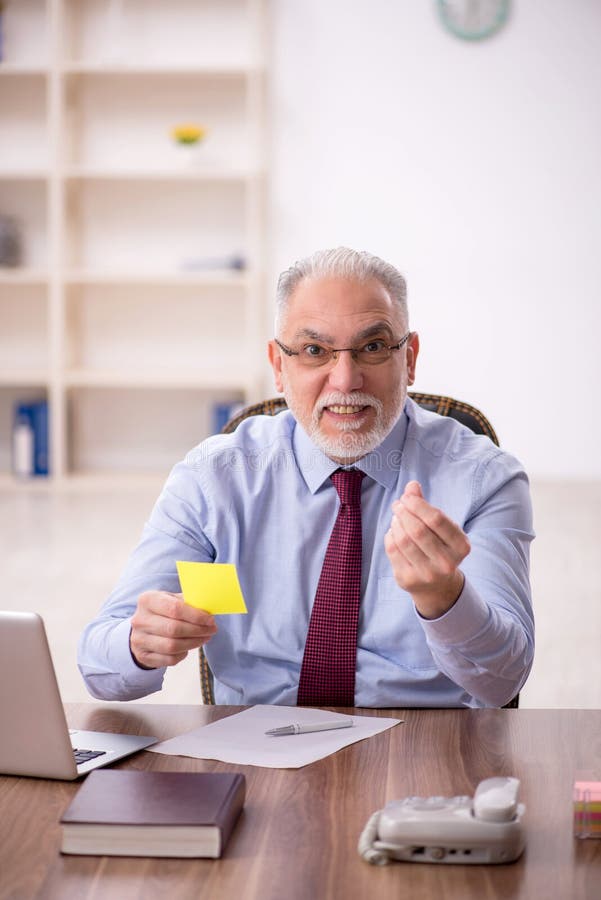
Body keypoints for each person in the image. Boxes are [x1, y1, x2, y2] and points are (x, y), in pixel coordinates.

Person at [78, 247, 534, 708]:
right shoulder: (213, 479)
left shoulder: (485, 480)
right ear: (279, 366)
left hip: (422, 748)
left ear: (409, 358)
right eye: (315, 351)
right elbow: (98, 665)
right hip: (258, 747)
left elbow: (503, 682)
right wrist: (139, 644)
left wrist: (444, 598)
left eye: (373, 347)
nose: (345, 379)